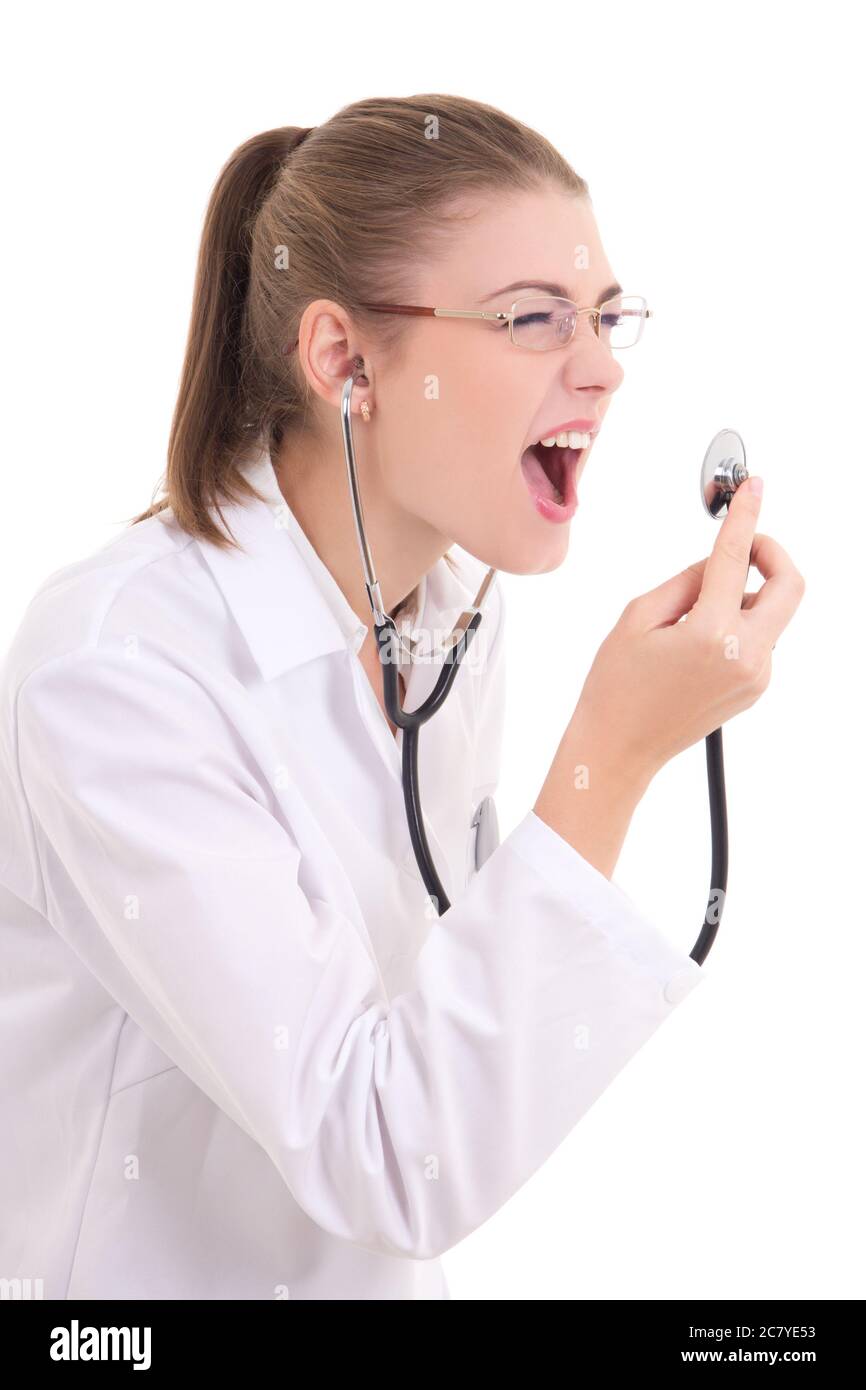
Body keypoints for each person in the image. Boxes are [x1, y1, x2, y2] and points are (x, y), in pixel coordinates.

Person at [0, 94, 804, 1302]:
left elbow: (441, 1031)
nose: (598, 368)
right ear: (343, 362)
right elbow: (381, 1152)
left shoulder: (444, 616)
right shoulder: (117, 673)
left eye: (603, 317)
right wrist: (612, 754)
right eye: (534, 319)